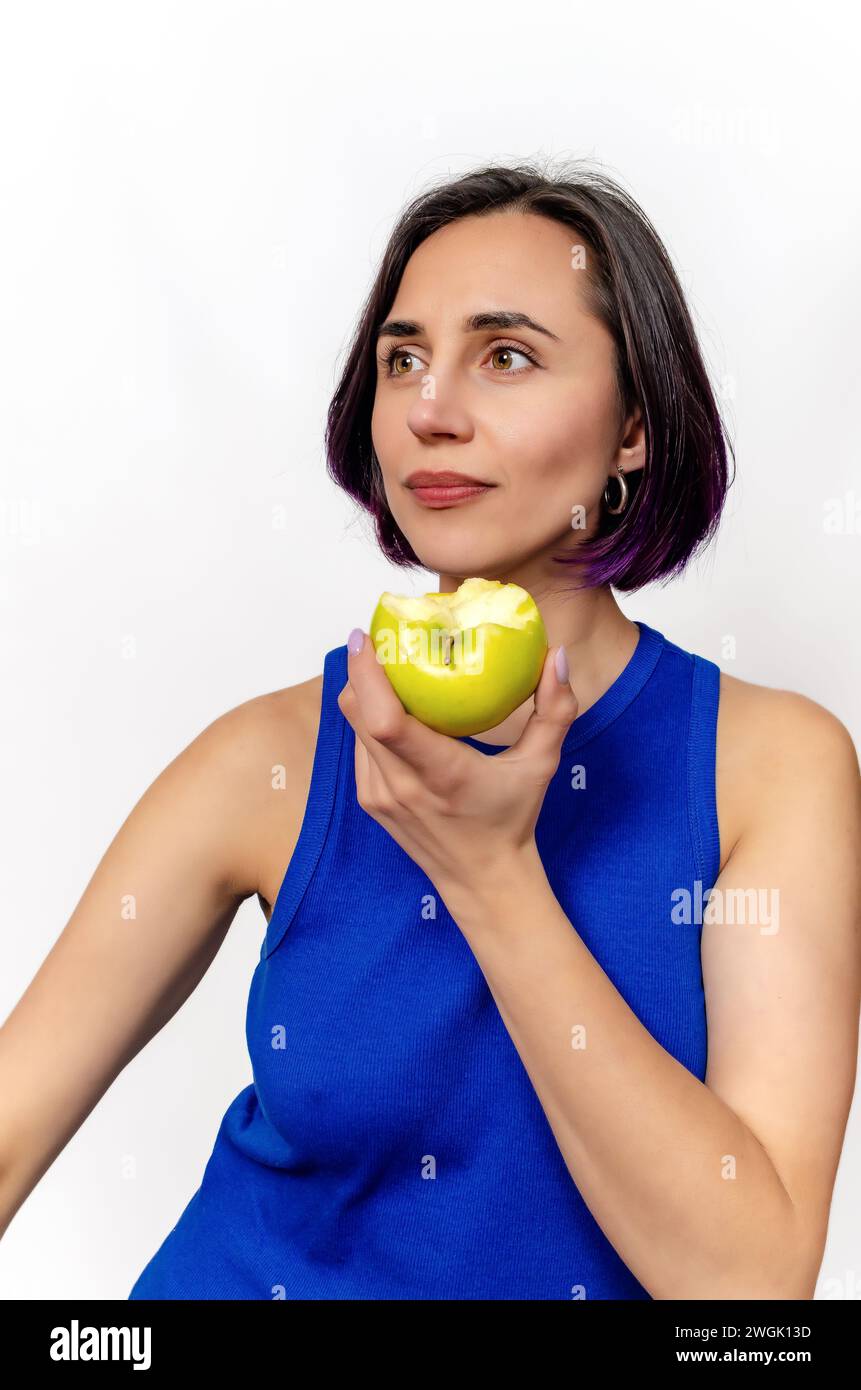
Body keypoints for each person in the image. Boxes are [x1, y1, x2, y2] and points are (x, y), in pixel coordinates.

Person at [1, 161, 858, 1300]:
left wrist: (493, 877)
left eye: (505, 356)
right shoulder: (267, 758)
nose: (428, 409)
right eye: (403, 359)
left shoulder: (771, 768)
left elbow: (749, 1291)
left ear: (635, 432)